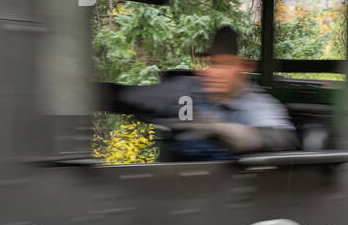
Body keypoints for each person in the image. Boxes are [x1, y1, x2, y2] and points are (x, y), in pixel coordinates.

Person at [106, 26, 297, 160]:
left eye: (225, 65)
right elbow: (127, 97)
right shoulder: (186, 90)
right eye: (212, 64)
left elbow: (281, 138)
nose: (214, 73)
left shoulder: (258, 106)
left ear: (243, 68)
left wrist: (218, 128)